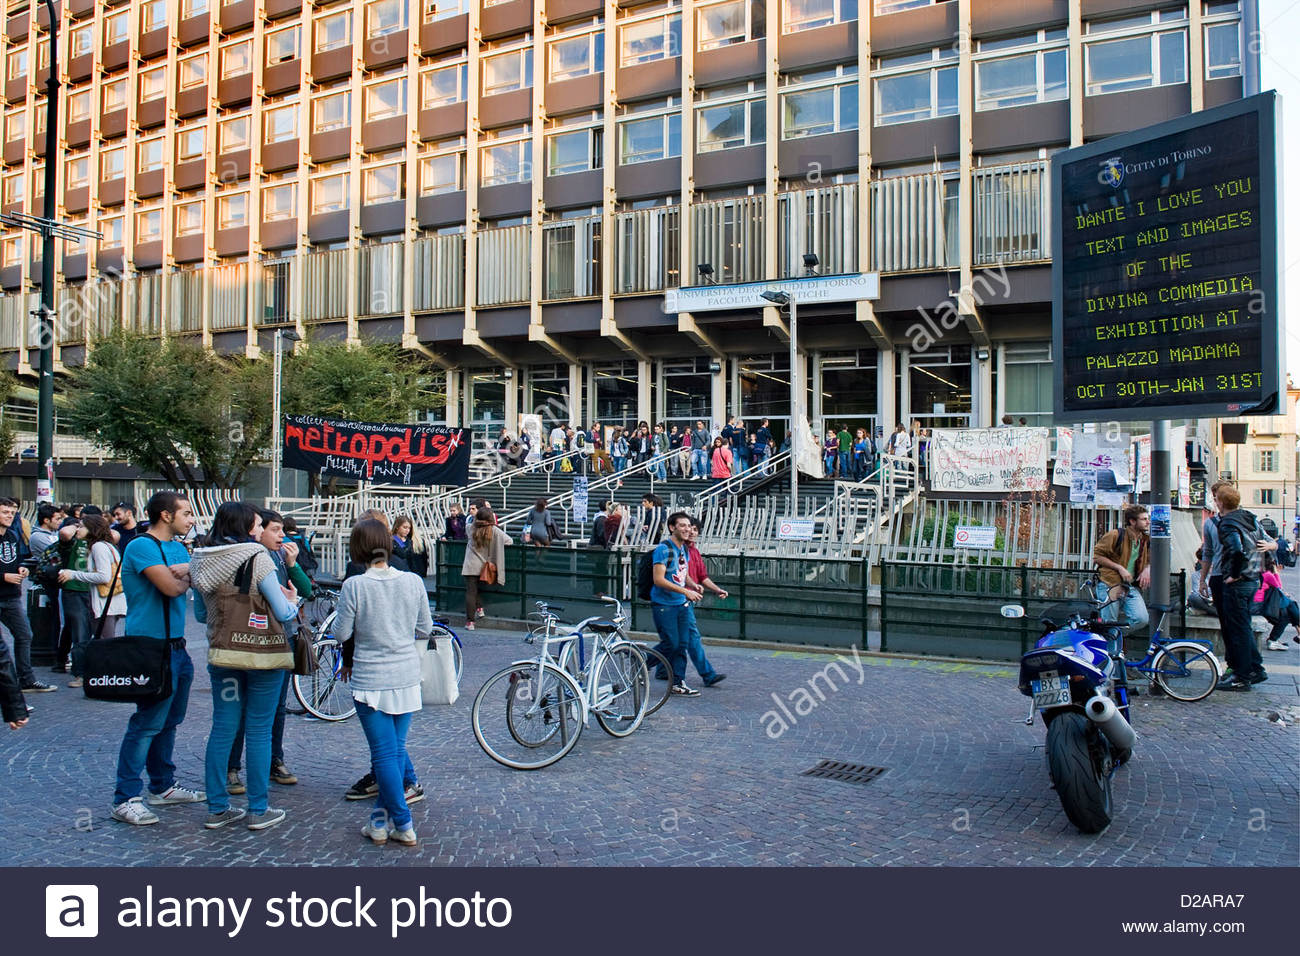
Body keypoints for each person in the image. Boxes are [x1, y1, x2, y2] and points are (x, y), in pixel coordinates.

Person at [192, 501, 298, 831]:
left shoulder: (199, 559)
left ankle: (217, 807)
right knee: (259, 729)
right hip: (262, 656)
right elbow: (283, 612)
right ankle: (258, 808)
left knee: (223, 727)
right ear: (243, 528)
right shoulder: (256, 558)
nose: (257, 530)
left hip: (223, 653)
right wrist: (292, 601)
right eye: (254, 525)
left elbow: (198, 614)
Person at [335, 518, 432, 846]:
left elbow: (341, 633)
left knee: (384, 754)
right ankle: (379, 822)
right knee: (393, 751)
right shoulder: (413, 582)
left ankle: (403, 823)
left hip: (370, 676)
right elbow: (425, 627)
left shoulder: (355, 586)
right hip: (405, 674)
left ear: (358, 548)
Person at [111, 491, 205, 826]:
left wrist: (185, 572)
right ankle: (125, 797)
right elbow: (171, 587)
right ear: (166, 515)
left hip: (176, 647)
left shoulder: (178, 548)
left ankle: (162, 786)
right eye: (187, 513)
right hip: (149, 648)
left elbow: (193, 578)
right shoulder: (140, 546)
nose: (191, 519)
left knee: (169, 721)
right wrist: (185, 575)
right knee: (146, 723)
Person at [226, 509, 313, 796]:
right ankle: (232, 767)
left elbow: (306, 591)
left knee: (276, 706)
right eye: (274, 530)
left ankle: (275, 760)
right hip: (251, 639)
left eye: (282, 531)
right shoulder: (248, 558)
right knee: (242, 706)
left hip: (282, 638)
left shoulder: (279, 556)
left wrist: (293, 563)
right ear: (258, 529)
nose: (282, 536)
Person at [1215, 485, 1273, 691]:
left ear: (1220, 503)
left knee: (1238, 630)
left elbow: (1237, 550)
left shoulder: (1228, 523)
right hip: (1253, 579)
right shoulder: (1250, 519)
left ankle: (1242, 675)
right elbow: (1265, 544)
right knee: (1244, 628)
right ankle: (1255, 669)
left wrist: (1234, 574)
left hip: (1239, 582)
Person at [58, 514, 127, 686]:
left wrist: (73, 574)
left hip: (105, 603)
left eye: (81, 526)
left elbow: (103, 576)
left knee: (106, 643)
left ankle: (110, 681)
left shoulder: (98, 547)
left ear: (91, 529)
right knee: (105, 641)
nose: (78, 529)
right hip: (112, 601)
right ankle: (106, 679)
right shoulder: (107, 546)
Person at [0, 497, 55, 694]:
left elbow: (19, 560)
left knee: (24, 635)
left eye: (12, 512)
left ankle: (26, 679)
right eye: (5, 512)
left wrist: (22, 569)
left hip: (11, 596)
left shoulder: (13, 535)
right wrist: (4, 576)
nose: (10, 516)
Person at [647, 512, 703, 696]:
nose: (687, 529)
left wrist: (692, 583)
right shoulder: (664, 549)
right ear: (672, 528)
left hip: (681, 604)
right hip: (664, 604)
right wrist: (686, 591)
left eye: (689, 526)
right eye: (682, 526)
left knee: (682, 644)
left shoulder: (683, 549)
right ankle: (640, 664)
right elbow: (658, 579)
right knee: (670, 643)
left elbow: (681, 570)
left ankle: (678, 682)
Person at [679, 519, 727, 687]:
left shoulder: (695, 552)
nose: (691, 532)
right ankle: (708, 674)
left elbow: (703, 576)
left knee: (674, 641)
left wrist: (717, 589)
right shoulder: (679, 549)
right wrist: (692, 586)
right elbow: (682, 573)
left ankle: (655, 666)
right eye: (688, 528)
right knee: (692, 637)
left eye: (695, 530)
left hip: (688, 599)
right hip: (679, 598)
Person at [1092, 505, 1151, 641]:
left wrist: (1147, 569)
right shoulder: (1115, 535)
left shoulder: (1145, 539)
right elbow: (1097, 557)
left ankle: (1115, 637)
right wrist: (1119, 567)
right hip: (1109, 583)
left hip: (1128, 585)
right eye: (1144, 519)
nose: (1148, 522)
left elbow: (1152, 558)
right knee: (1109, 622)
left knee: (1141, 618)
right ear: (1132, 521)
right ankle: (1111, 654)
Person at [460, 507, 511, 631]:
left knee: (471, 591)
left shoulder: (471, 528)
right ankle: (480, 608)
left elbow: (468, 523)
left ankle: (470, 622)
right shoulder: (494, 531)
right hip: (486, 567)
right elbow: (509, 541)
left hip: (471, 564)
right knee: (478, 590)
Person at [1257, 553, 1300, 651]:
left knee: (1288, 605)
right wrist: (1276, 572)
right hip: (1261, 605)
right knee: (1289, 607)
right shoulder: (1267, 574)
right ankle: (1273, 640)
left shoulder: (1256, 572)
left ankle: (1274, 640)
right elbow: (1279, 586)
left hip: (1260, 603)